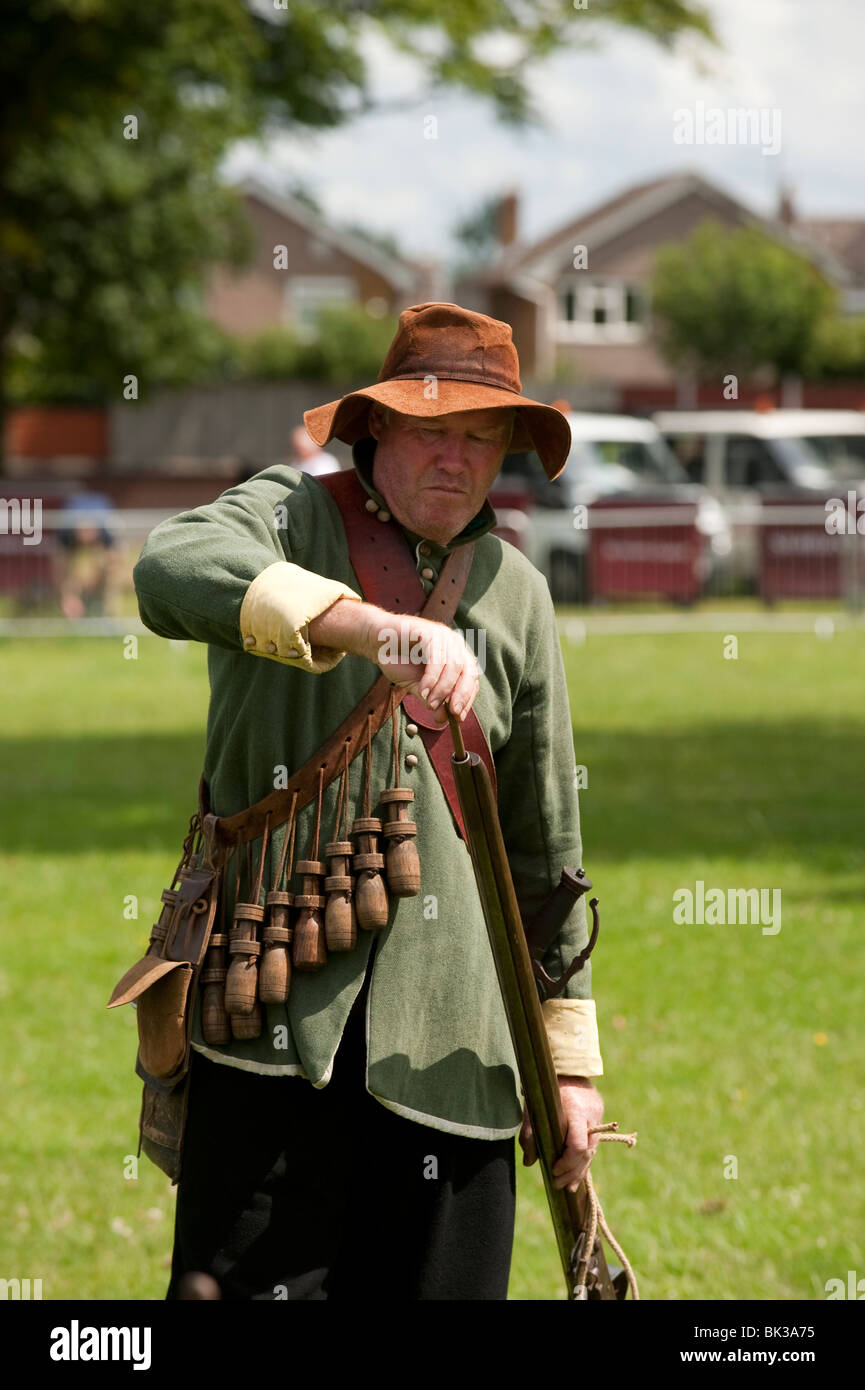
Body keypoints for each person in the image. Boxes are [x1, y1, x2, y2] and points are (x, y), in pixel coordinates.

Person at [132, 302, 605, 1301]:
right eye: (434, 430)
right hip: (269, 1016)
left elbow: (542, 846)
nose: (458, 458)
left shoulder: (517, 592)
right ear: (377, 426)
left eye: (483, 436)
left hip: (455, 1042)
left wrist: (567, 1063)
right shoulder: (285, 517)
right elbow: (167, 570)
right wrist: (365, 628)